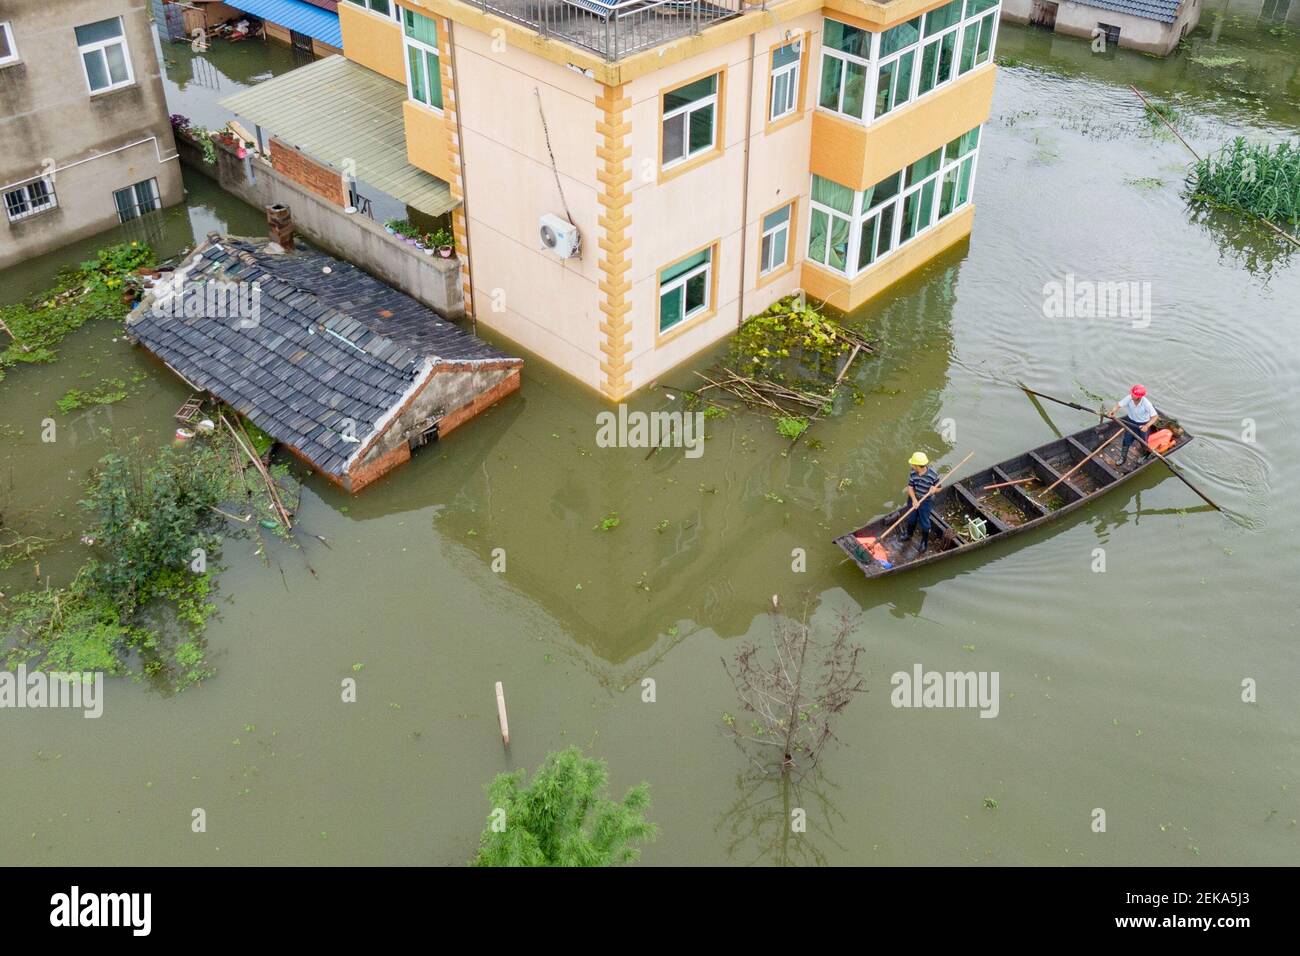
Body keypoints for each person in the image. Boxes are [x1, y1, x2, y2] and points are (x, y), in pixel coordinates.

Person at [899, 452, 942, 553]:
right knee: (911, 519)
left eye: (913, 464)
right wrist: (914, 500)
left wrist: (934, 490)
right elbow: (910, 487)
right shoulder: (913, 472)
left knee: (925, 523)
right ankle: (909, 535)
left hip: (926, 501)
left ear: (918, 466)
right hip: (914, 498)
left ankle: (924, 542)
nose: (911, 466)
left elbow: (939, 489)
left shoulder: (933, 475)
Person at [1108, 384, 1156, 468]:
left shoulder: (1146, 404)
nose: (1132, 396)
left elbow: (1155, 417)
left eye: (1135, 395)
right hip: (1131, 423)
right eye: (1132, 394)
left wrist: (1147, 426)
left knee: (1143, 442)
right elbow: (1118, 405)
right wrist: (1112, 411)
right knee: (1126, 440)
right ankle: (1123, 458)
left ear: (1140, 396)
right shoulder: (1129, 397)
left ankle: (1146, 454)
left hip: (1142, 424)